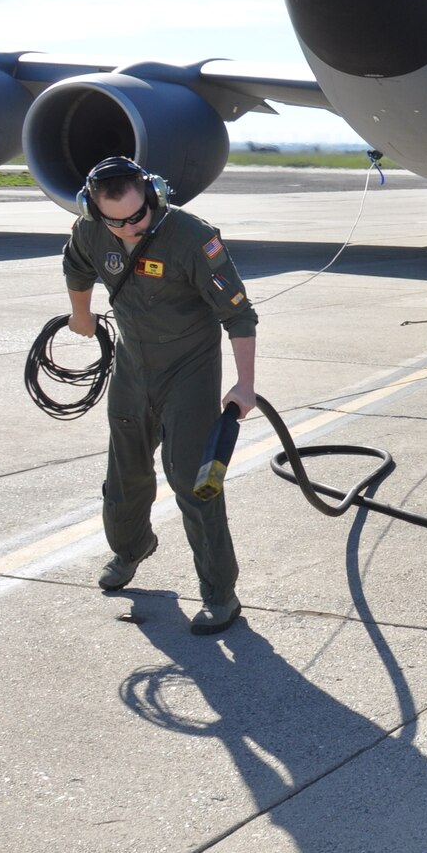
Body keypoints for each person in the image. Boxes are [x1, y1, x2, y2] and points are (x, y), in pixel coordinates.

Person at [61, 157, 259, 634]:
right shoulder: (90, 231)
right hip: (132, 368)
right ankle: (131, 549)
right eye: (117, 222)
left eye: (138, 216)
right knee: (125, 475)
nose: (130, 228)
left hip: (189, 371)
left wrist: (245, 384)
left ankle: (220, 594)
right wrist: (81, 314)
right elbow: (76, 263)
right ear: (95, 211)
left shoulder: (191, 237)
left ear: (153, 196)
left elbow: (238, 314)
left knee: (192, 479)